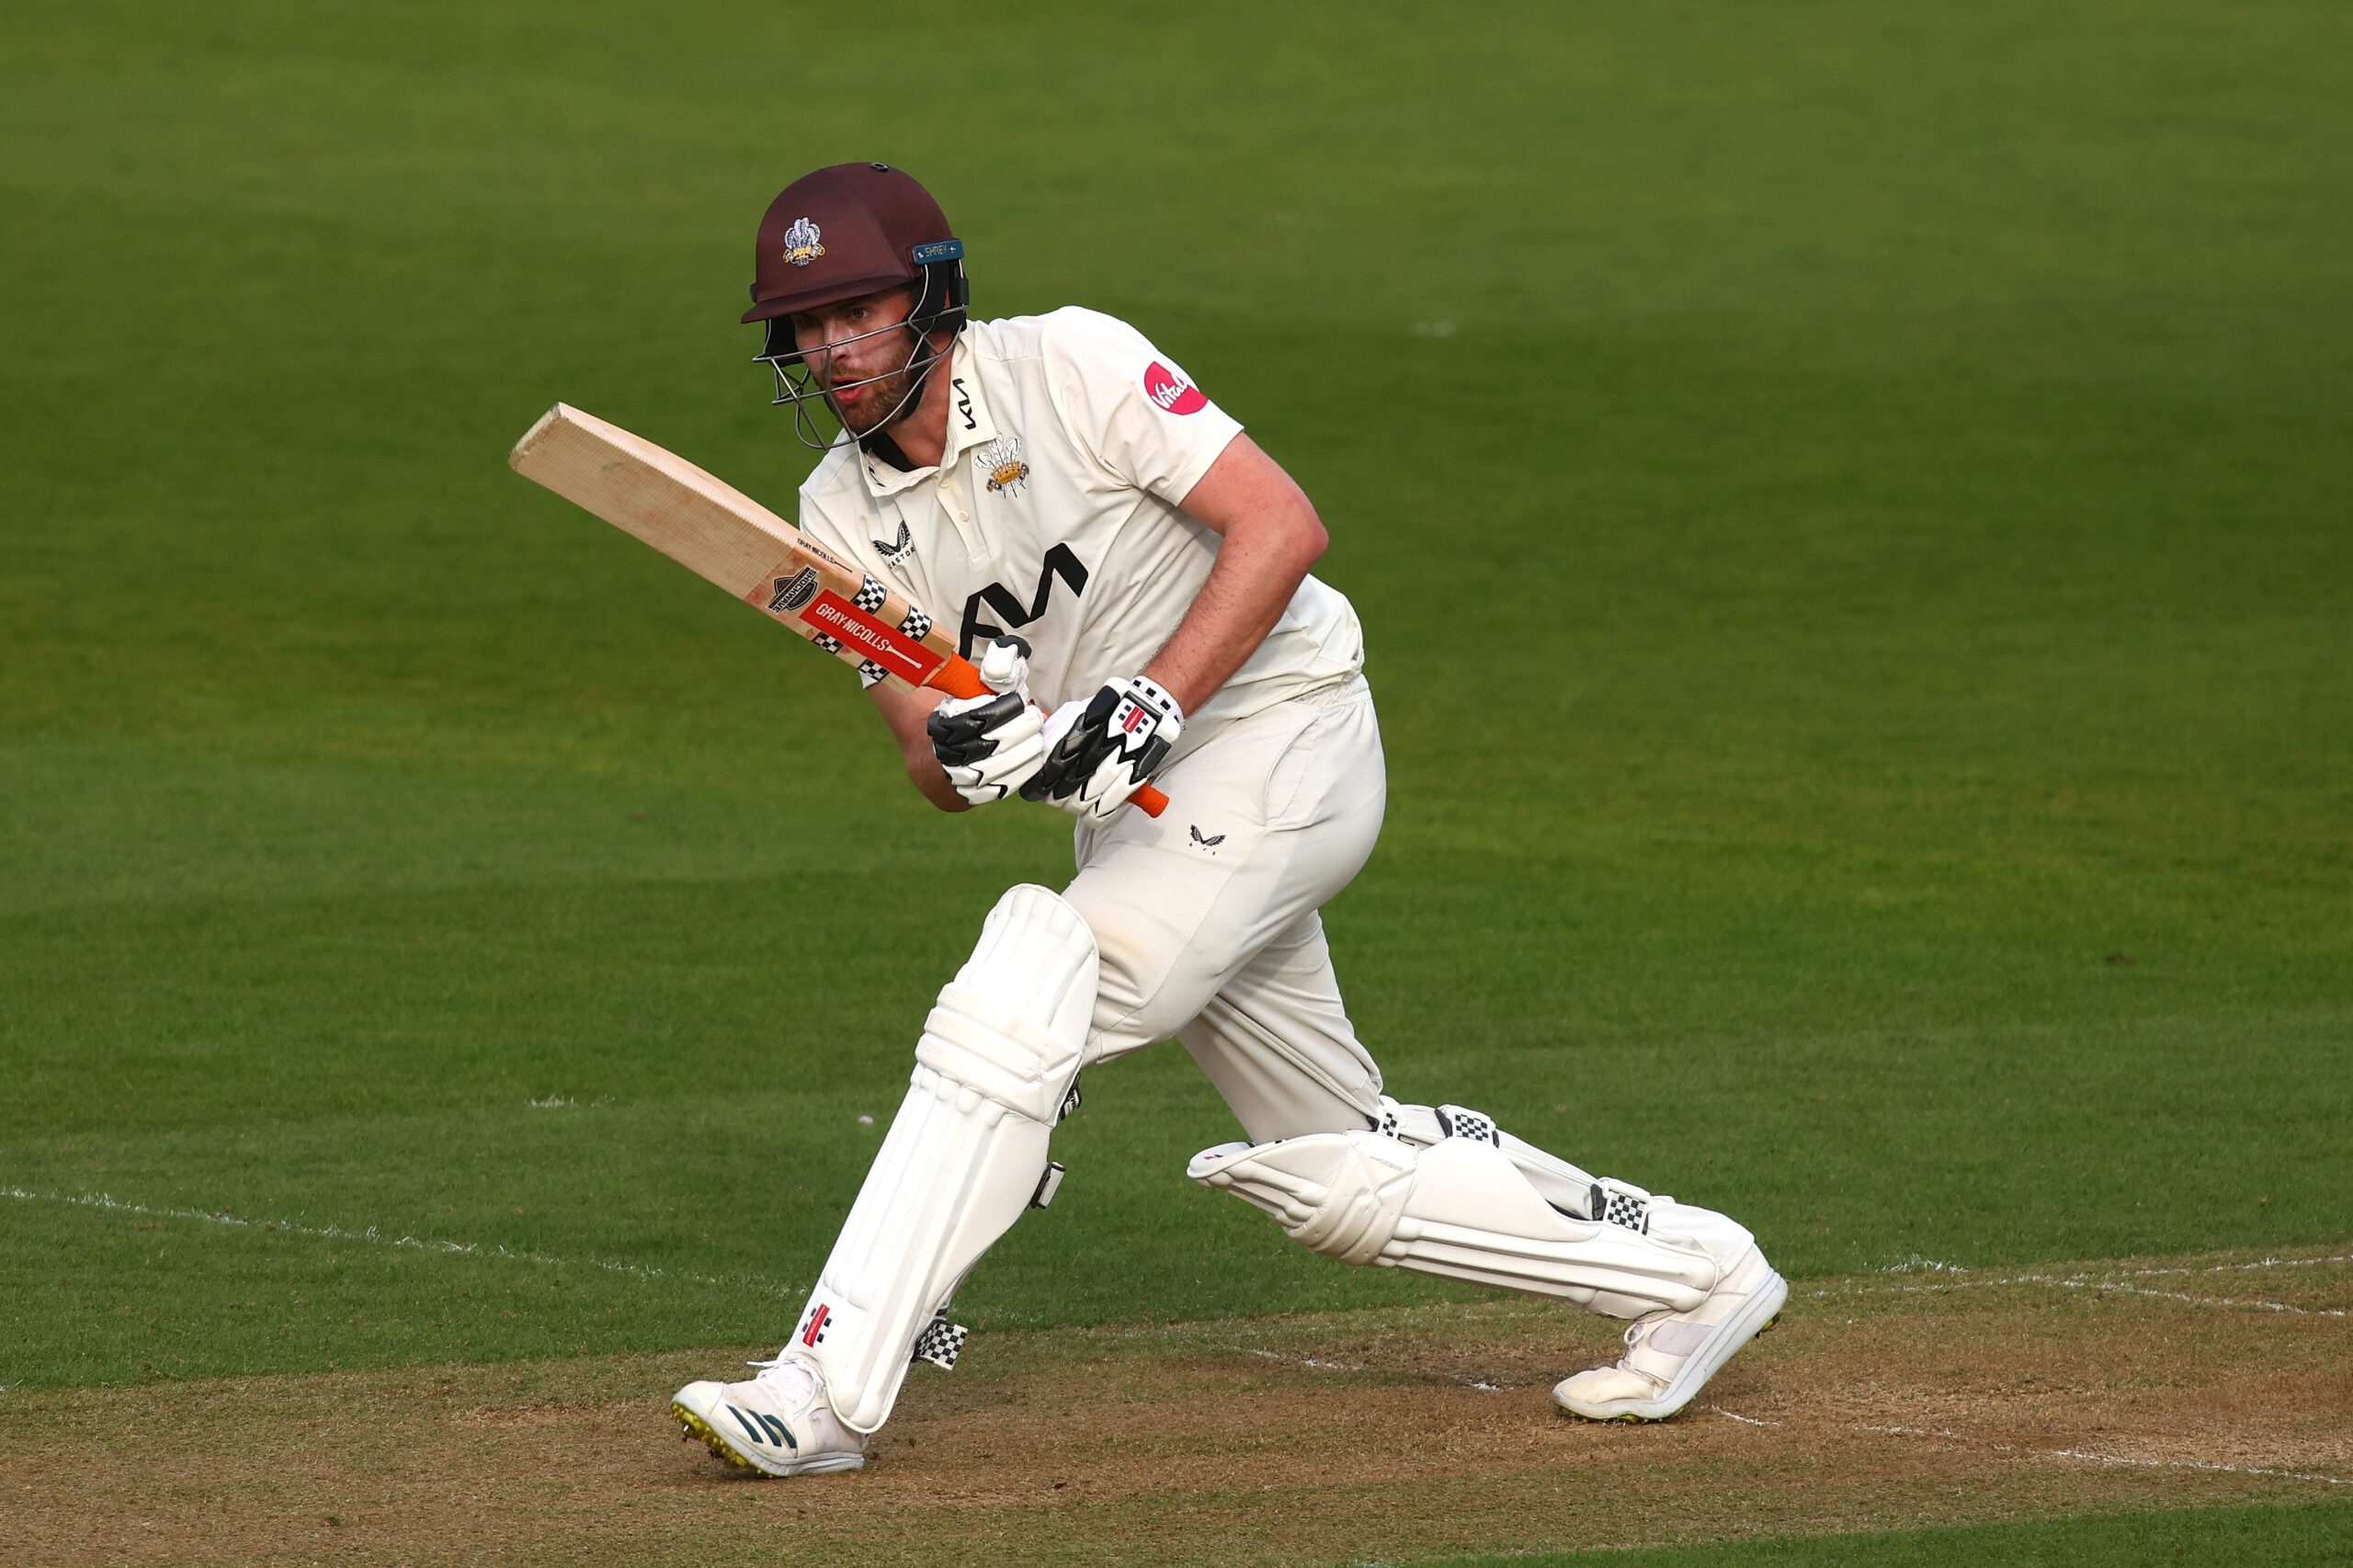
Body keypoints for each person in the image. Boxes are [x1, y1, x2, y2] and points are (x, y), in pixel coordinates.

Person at [670, 162, 1786, 1476]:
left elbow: (1280, 521)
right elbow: (927, 745)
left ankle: (824, 1389)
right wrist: (969, 749)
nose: (826, 349)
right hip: (1145, 812)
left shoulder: (1074, 366)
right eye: (799, 328)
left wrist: (1151, 695)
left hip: (1282, 734)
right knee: (1332, 1166)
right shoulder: (834, 516)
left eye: (852, 311)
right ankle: (1696, 1271)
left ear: (933, 297)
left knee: (1027, 982)